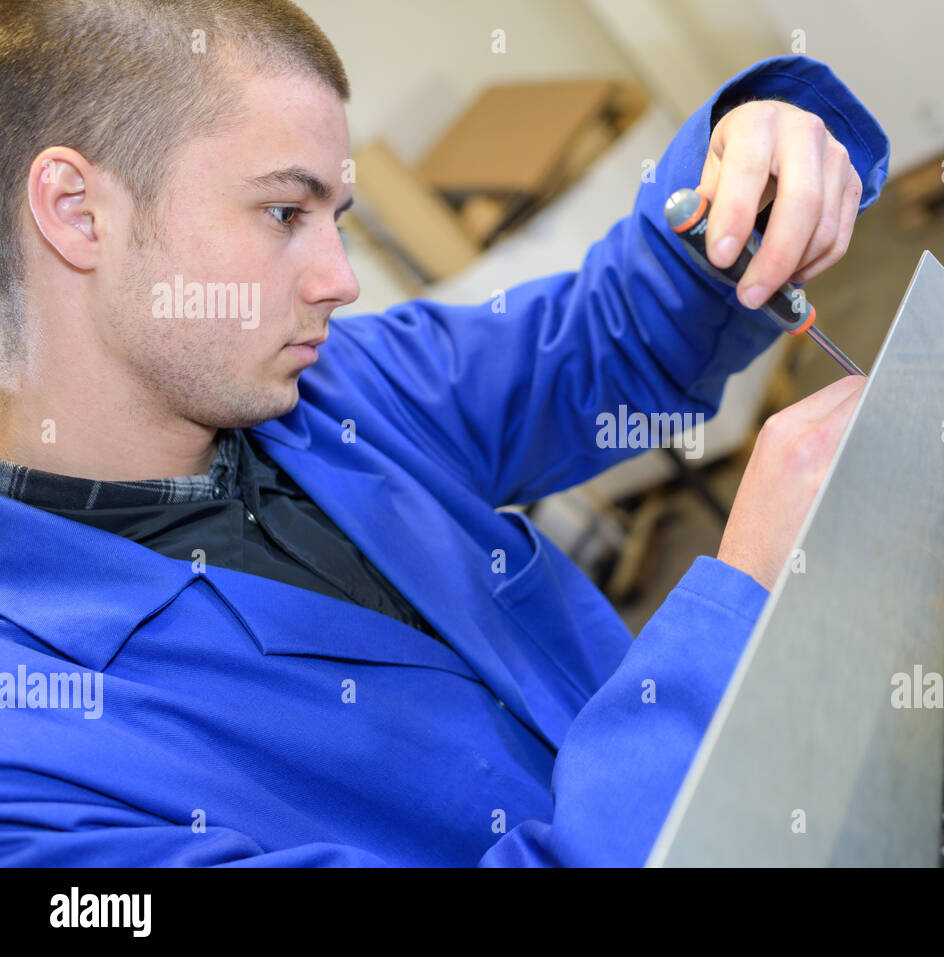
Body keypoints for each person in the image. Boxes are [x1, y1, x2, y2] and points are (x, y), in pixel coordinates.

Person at [0, 0, 888, 866]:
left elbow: (606, 340)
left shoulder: (332, 384)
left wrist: (749, 175)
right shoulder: (33, 777)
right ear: (79, 211)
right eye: (283, 213)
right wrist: (738, 613)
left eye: (336, 220)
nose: (340, 281)